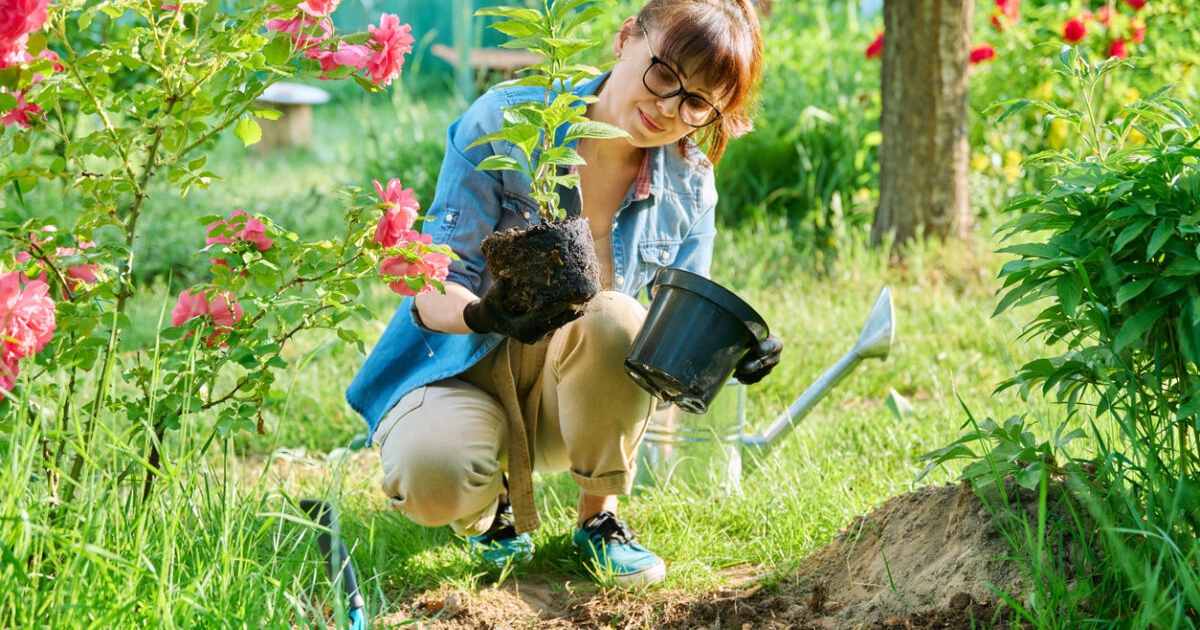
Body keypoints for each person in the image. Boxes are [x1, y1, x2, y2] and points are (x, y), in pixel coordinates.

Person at [346, 0, 781, 588]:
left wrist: (723, 355)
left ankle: (598, 521)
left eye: (698, 101)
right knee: (433, 475)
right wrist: (482, 312)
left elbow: (662, 334)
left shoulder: (691, 184)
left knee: (617, 318)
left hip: (571, 399)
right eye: (665, 75)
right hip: (459, 368)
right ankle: (488, 515)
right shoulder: (507, 124)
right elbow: (429, 286)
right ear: (628, 38)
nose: (669, 108)